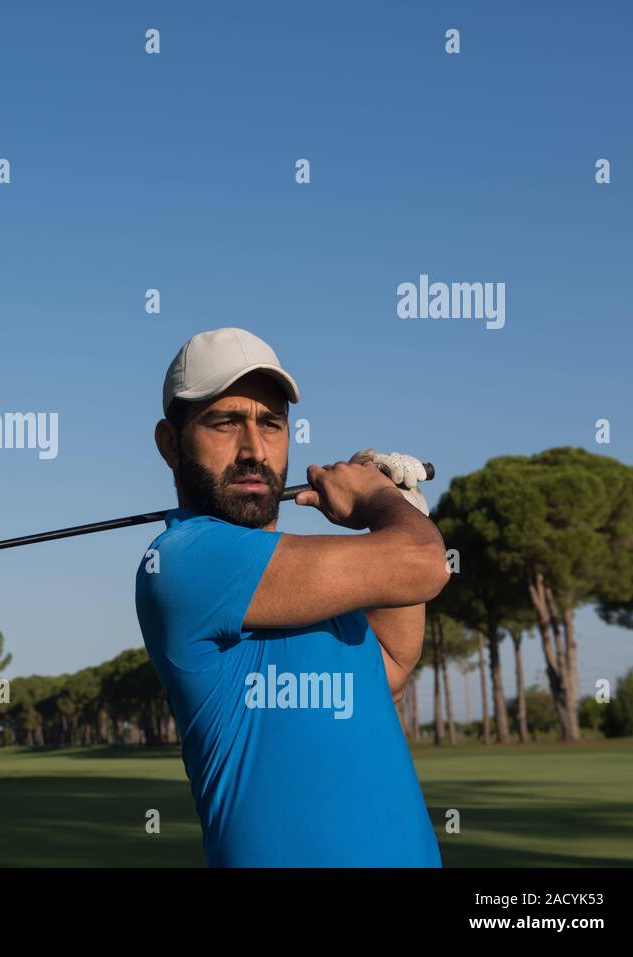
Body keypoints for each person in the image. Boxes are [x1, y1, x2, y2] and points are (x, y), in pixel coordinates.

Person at [136, 327, 449, 867]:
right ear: (170, 442)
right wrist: (377, 504)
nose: (254, 449)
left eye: (271, 424)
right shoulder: (185, 559)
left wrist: (407, 510)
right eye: (225, 422)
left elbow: (390, 665)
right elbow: (422, 564)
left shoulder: (315, 579)